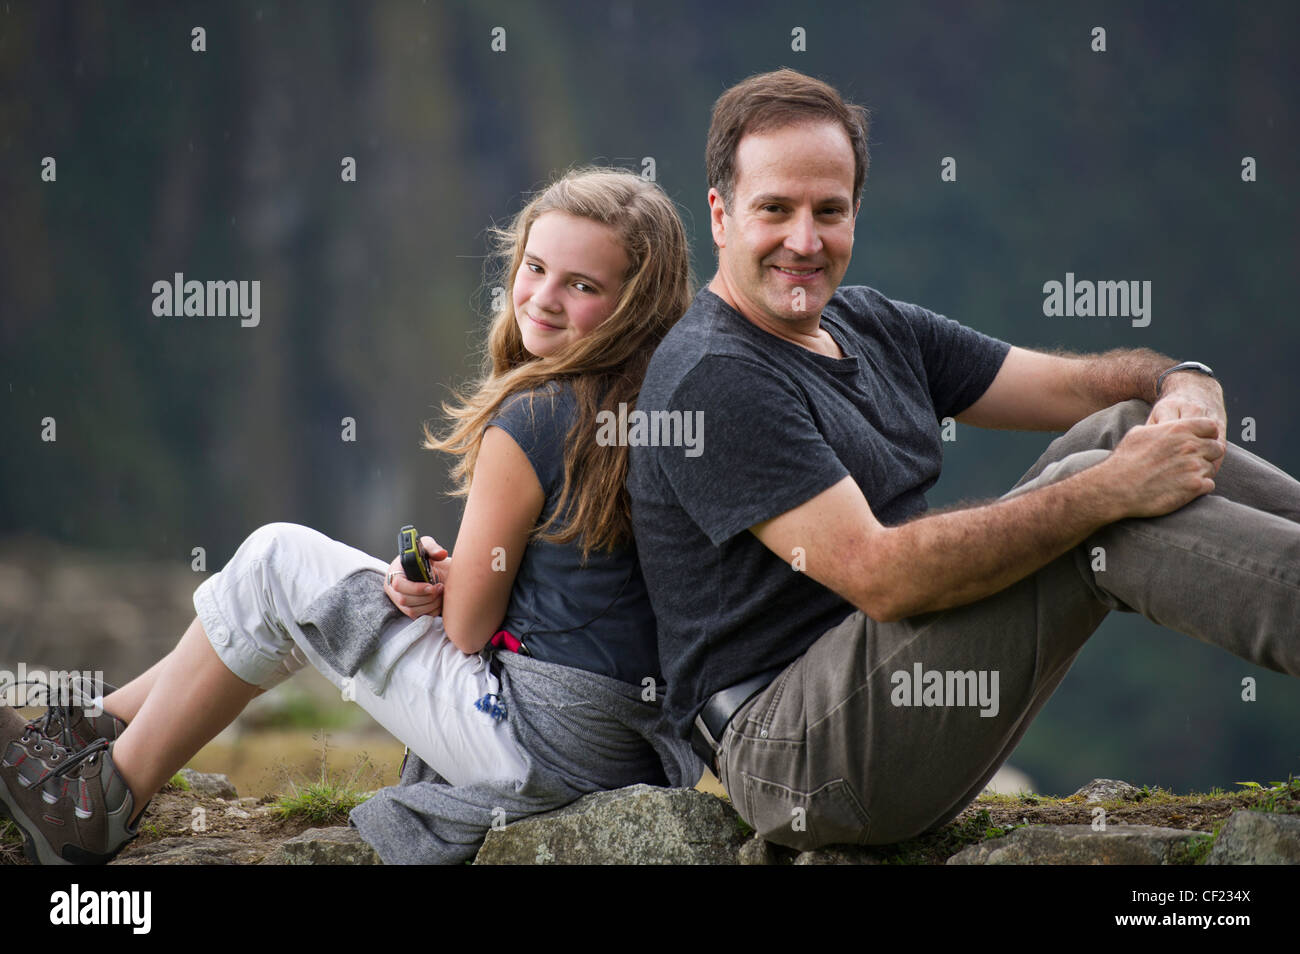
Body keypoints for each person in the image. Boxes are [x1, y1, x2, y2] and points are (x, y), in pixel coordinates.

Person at [628, 67, 1300, 851]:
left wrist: (1179, 380)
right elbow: (880, 575)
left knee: (1120, 426)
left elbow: (1071, 387)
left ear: (855, 214)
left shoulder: (872, 324)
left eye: (829, 211)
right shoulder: (716, 376)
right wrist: (1108, 492)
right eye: (774, 209)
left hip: (884, 682)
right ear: (720, 214)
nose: (804, 241)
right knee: (1097, 501)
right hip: (798, 753)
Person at [0, 166, 701, 865]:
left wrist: (449, 594)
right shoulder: (664, 412)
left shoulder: (533, 421)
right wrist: (458, 580)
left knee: (277, 564)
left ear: (633, 306)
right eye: (536, 267)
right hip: (635, 746)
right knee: (312, 590)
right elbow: (594, 595)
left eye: (582, 286)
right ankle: (88, 734)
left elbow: (467, 630)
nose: (543, 298)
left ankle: (91, 808)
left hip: (536, 747)